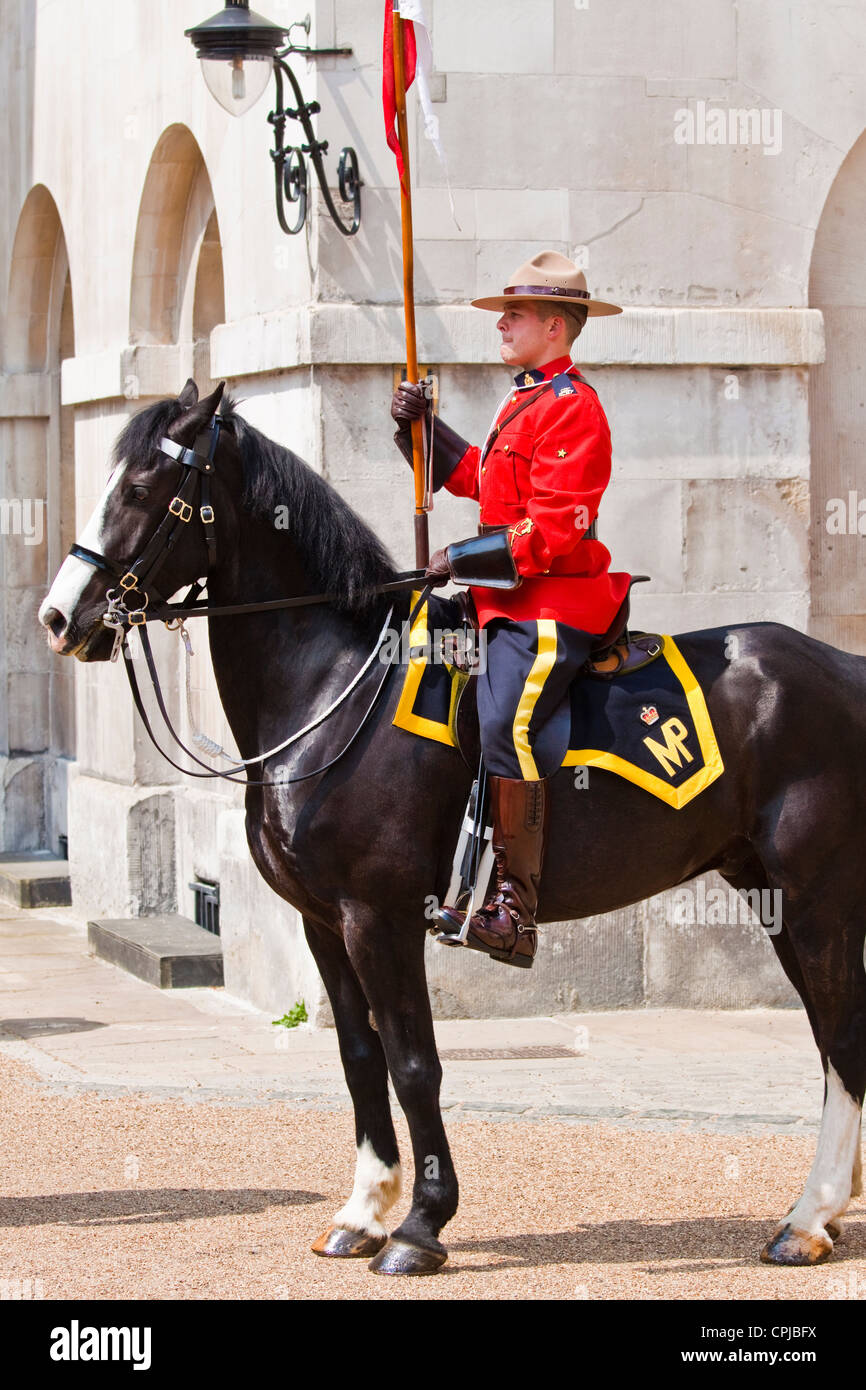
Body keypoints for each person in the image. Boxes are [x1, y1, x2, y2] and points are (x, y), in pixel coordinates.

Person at [391, 250, 631, 969]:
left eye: (516, 314)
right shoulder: (523, 398)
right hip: (506, 600)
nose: (502, 322)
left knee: (506, 719)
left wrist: (459, 560)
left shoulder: (574, 407)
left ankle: (514, 908)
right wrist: (423, 431)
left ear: (555, 328)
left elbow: (554, 527)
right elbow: (482, 483)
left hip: (553, 605)